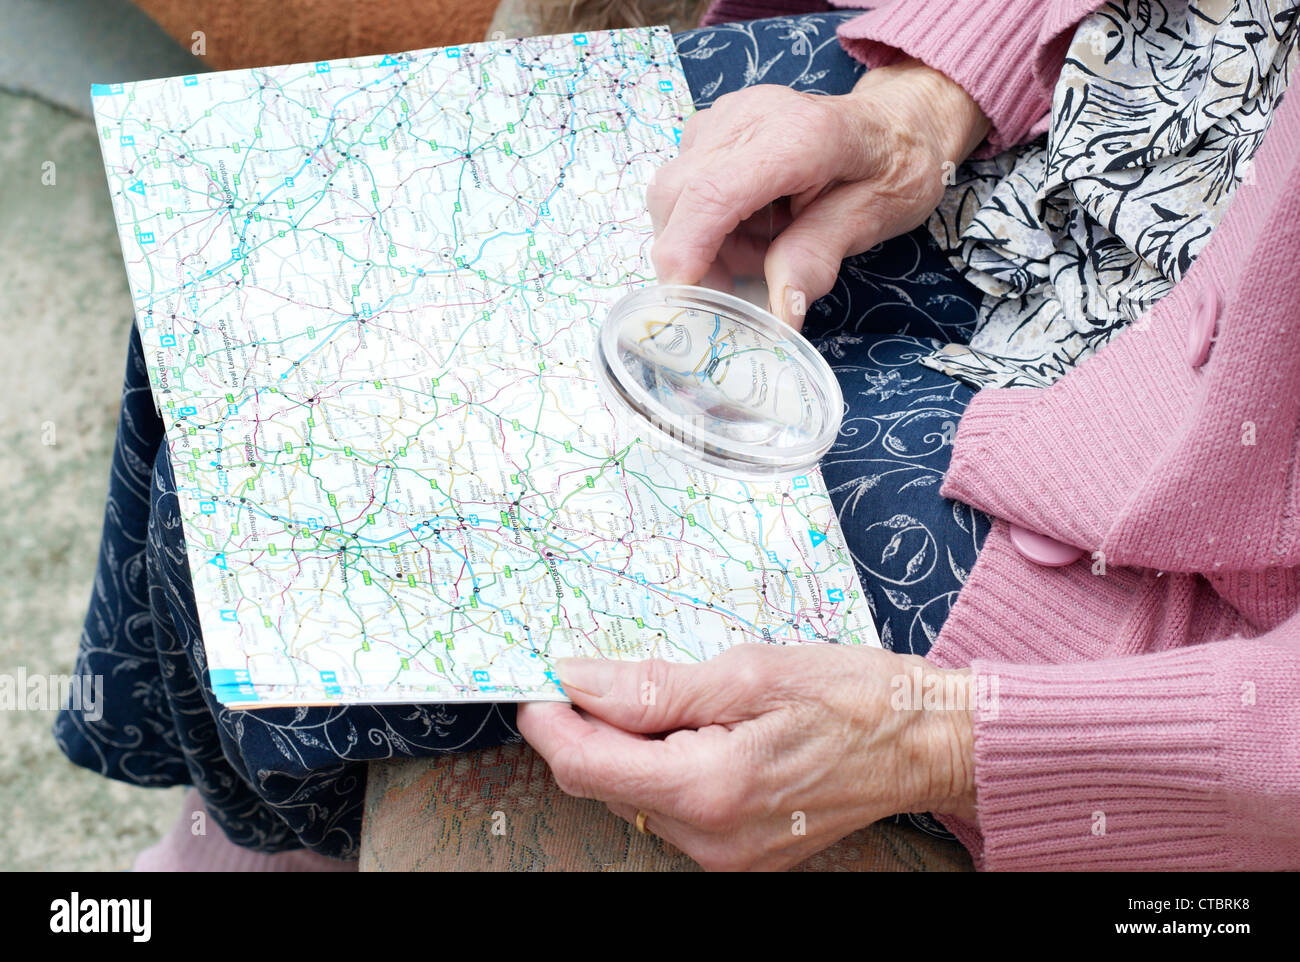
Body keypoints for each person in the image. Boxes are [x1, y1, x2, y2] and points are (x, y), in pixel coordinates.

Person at [60, 1, 1300, 872]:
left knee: (326, 469)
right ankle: (251, 817)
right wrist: (929, 94)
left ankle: (268, 827)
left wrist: (949, 735)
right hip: (1111, 115)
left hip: (1180, 568)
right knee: (250, 265)